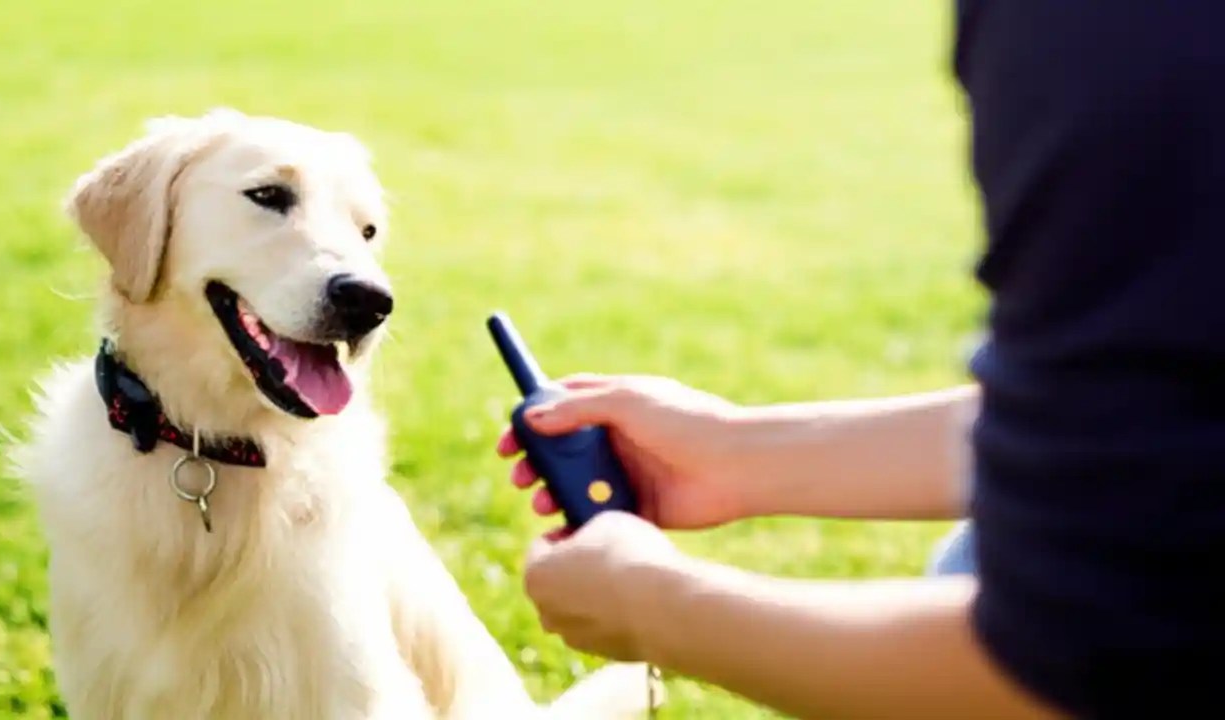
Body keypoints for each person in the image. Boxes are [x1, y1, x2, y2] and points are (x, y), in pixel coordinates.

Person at [495, 3, 1225, 718]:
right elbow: (1169, 429)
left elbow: (1082, 659)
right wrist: (737, 452)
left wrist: (656, 604)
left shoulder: (1110, 35)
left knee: (978, 567)